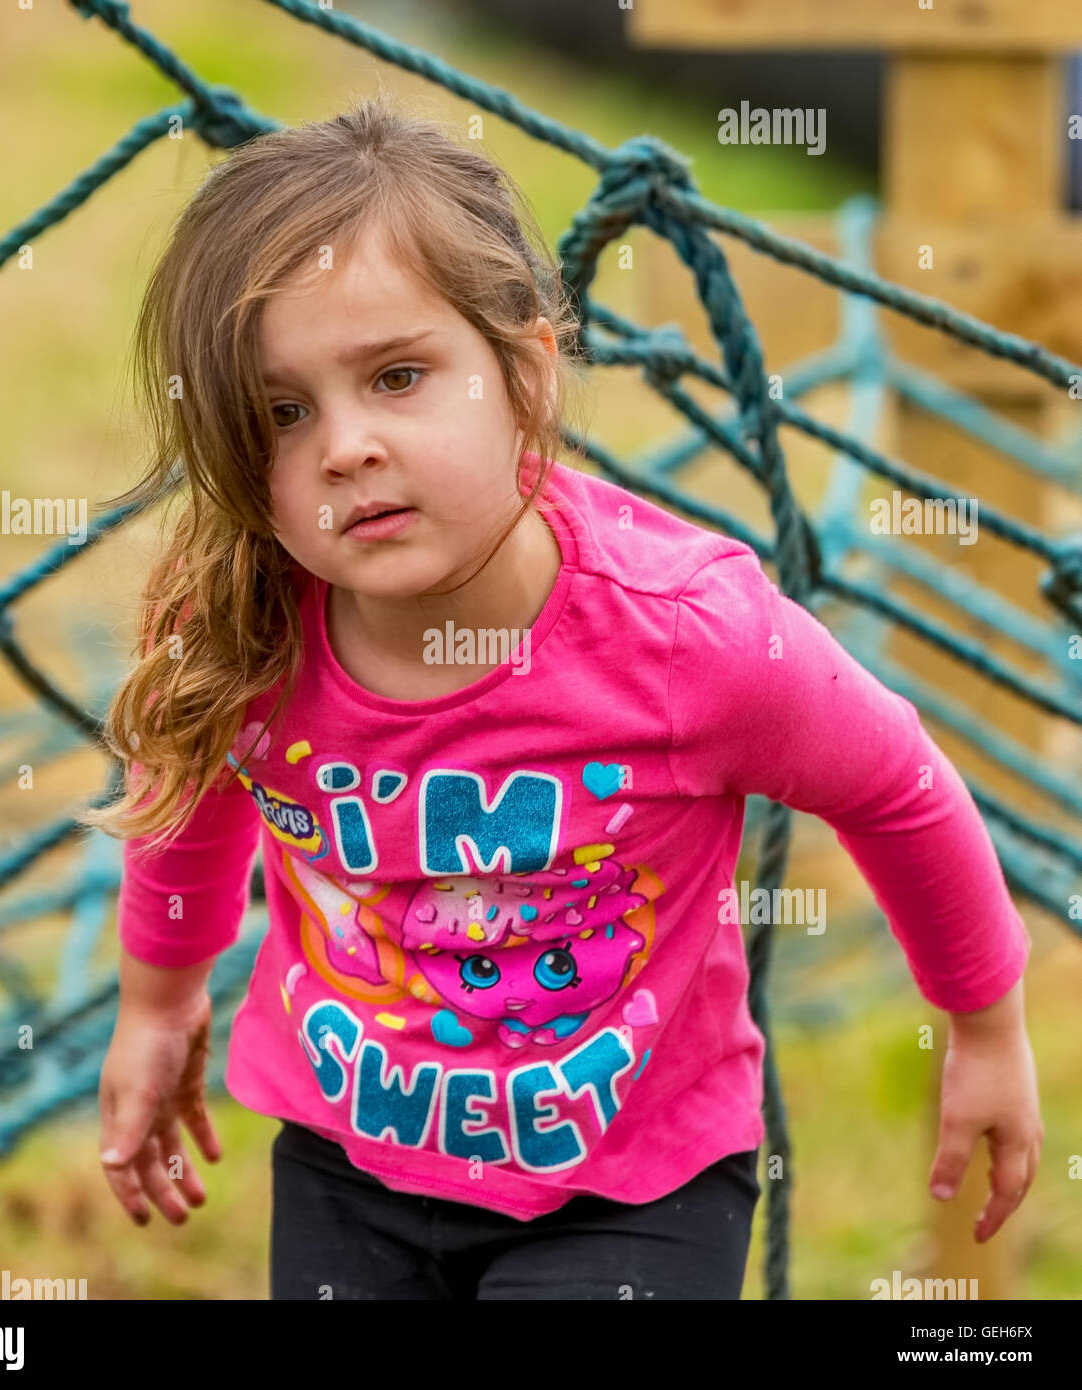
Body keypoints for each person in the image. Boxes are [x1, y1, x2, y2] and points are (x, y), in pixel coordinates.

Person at [86, 94, 1041, 1300]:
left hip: (635, 1188)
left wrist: (985, 1025)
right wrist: (158, 1000)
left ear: (526, 373)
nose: (345, 446)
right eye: (283, 412)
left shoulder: (692, 639)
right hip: (350, 1161)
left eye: (398, 375)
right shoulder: (244, 619)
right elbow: (189, 789)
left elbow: (897, 784)